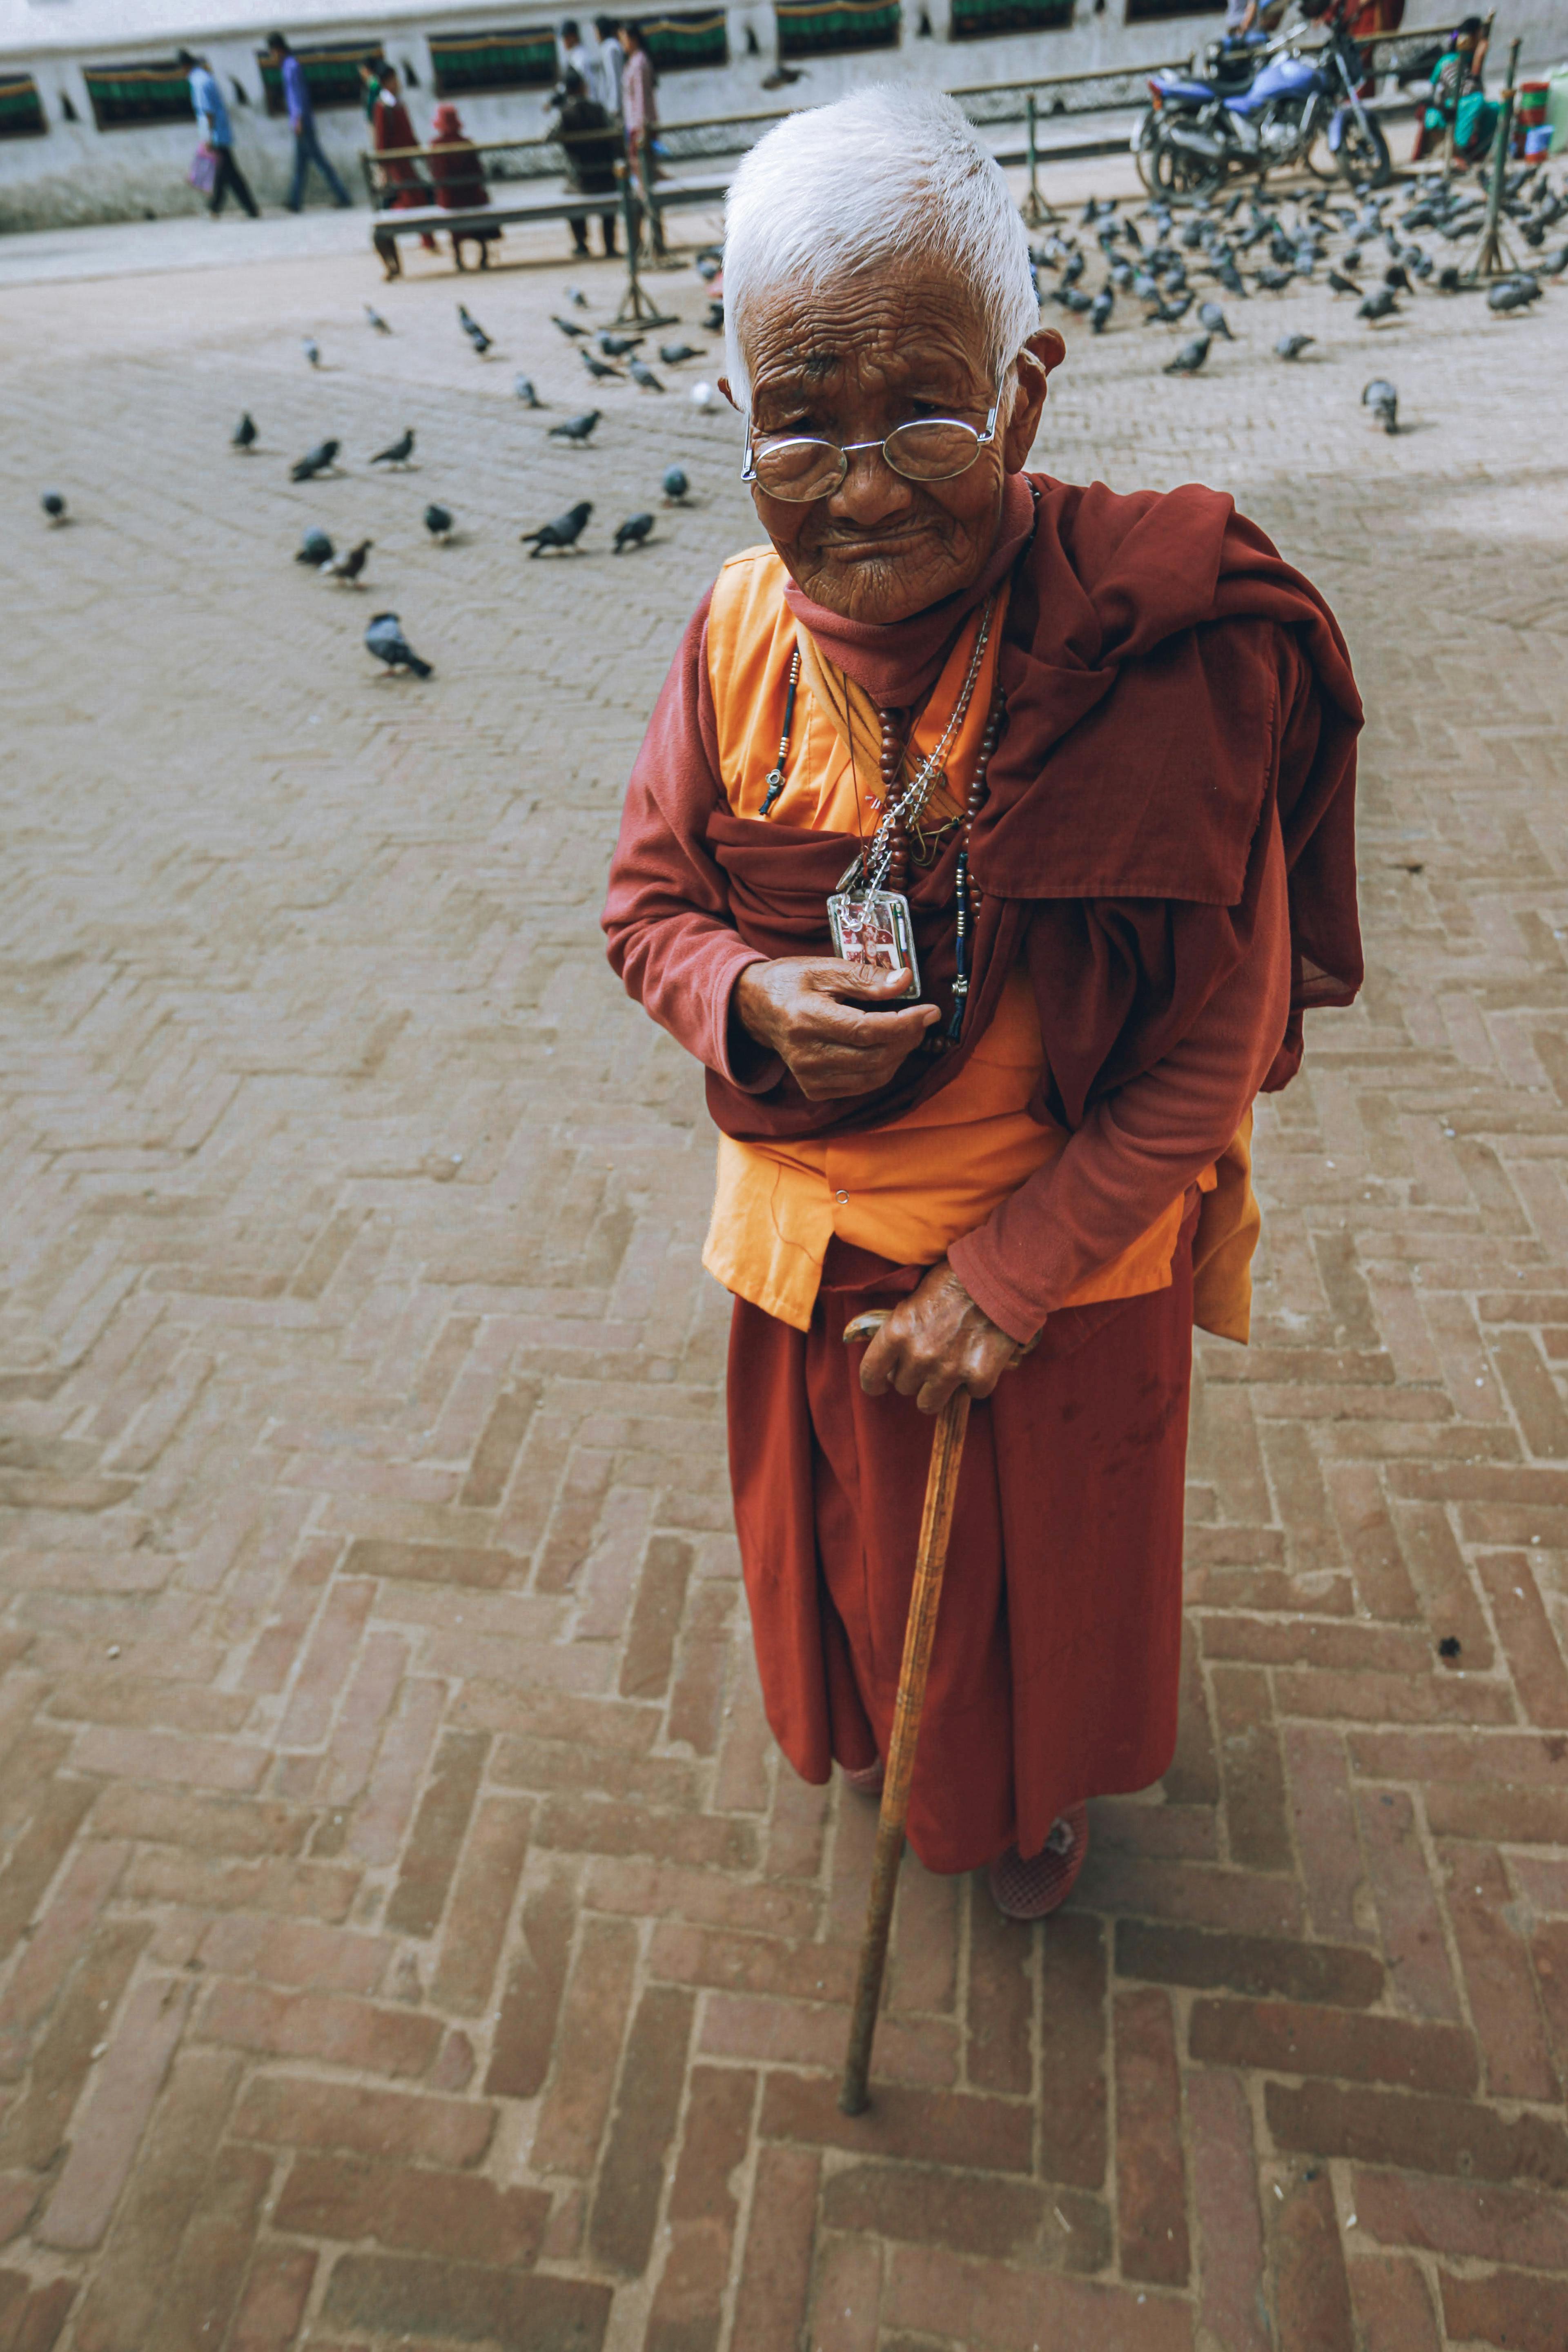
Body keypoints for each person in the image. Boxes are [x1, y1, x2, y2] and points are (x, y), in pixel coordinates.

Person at [602, 87, 1362, 1920]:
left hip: (1067, 1268)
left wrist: (1008, 1280)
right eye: (800, 427)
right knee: (863, 1579)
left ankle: (1026, 1804)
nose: (860, 485)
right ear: (737, 421)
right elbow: (643, 908)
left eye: (922, 414)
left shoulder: (1157, 642)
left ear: (1023, 392)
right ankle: (890, 1755)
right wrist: (747, 993)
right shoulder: (730, 640)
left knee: (1050, 1600)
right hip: (817, 1256)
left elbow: (1204, 1050)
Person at [267, 33, 352, 212]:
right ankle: (295, 200)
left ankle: (342, 196)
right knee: (301, 164)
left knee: (319, 162)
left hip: (302, 123)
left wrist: (298, 119)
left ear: (278, 49)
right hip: (300, 122)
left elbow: (296, 95)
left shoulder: (292, 67)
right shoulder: (289, 67)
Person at [369, 63, 435, 278]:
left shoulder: (397, 104)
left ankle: (428, 241)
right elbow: (381, 139)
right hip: (395, 163)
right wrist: (383, 166)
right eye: (394, 80)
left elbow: (408, 132)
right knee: (410, 199)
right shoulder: (382, 107)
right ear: (386, 82)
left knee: (418, 199)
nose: (397, 84)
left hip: (407, 160)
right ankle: (426, 241)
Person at [177, 49, 259, 219]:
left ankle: (249, 208)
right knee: (224, 173)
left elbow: (207, 112)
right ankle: (216, 209)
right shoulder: (206, 78)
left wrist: (208, 137)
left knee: (230, 173)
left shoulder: (198, 83)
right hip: (221, 133)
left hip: (215, 136)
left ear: (185, 67)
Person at [549, 68, 621, 258]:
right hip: (606, 177)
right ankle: (610, 245)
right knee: (608, 194)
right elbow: (616, 132)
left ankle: (581, 243)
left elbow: (548, 136)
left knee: (568, 195)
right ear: (583, 88)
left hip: (581, 180)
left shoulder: (565, 115)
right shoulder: (599, 110)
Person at [429, 100, 503, 269]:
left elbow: (436, 175)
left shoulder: (436, 146)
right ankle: (483, 252)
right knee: (478, 200)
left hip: (451, 201)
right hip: (473, 197)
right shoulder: (467, 143)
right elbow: (478, 172)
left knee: (449, 203)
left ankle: (458, 258)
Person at [1417, 16, 1497, 161]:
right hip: (1443, 109)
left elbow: (1477, 89)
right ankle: (1458, 150)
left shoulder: (1468, 59)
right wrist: (1478, 61)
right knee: (1476, 101)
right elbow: (1464, 92)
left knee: (1494, 109)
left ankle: (1478, 152)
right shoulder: (1449, 61)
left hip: (1460, 105)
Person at [619, 22, 661, 254]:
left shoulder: (640, 63)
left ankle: (654, 241)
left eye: (624, 38)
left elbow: (642, 101)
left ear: (633, 39)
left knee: (647, 186)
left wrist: (641, 133)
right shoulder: (635, 62)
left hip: (640, 131)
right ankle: (650, 241)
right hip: (635, 130)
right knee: (643, 187)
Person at [593, 15, 625, 119]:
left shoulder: (611, 48)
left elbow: (615, 77)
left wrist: (615, 106)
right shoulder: (606, 48)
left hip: (615, 107)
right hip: (608, 104)